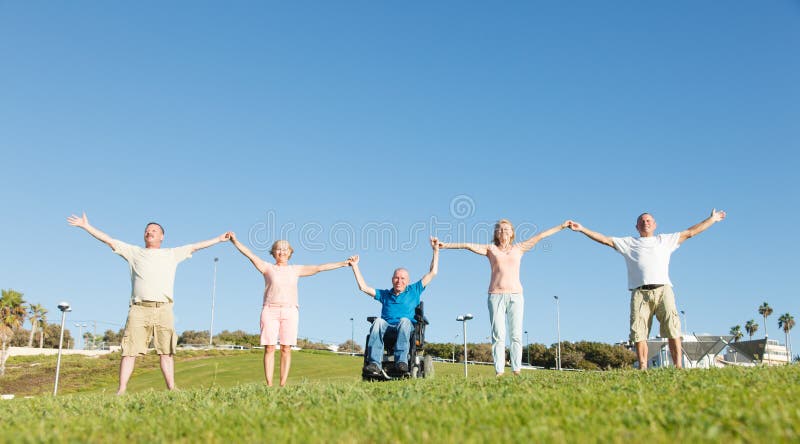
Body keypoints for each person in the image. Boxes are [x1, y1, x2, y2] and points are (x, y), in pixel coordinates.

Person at [67, 212, 229, 395]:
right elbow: (109, 241)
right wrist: (86, 226)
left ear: (162, 236)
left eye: (154, 230)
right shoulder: (134, 252)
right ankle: (121, 390)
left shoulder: (172, 254)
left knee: (166, 351)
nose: (149, 232)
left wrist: (218, 239)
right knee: (129, 351)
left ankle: (171, 388)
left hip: (164, 309)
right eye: (147, 230)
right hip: (139, 309)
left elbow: (195, 247)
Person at [567, 209, 726, 369]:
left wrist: (712, 219)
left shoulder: (665, 240)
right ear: (637, 226)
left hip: (663, 290)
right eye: (642, 221)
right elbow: (605, 240)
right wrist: (582, 229)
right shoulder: (629, 243)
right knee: (639, 331)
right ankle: (643, 367)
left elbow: (691, 232)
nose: (645, 223)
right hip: (640, 293)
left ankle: (678, 366)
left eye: (649, 220)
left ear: (655, 224)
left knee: (673, 328)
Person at [439, 219, 569, 375]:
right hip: (496, 296)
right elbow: (467, 245)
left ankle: (516, 370)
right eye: (500, 229)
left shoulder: (519, 248)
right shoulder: (491, 249)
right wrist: (444, 245)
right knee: (498, 335)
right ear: (496, 233)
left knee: (516, 335)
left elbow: (540, 236)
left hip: (516, 296)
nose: (503, 232)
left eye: (506, 229)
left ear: (512, 233)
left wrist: (561, 226)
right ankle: (499, 372)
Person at [228, 232, 351, 387]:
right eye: (278, 249)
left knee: (286, 348)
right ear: (273, 252)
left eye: (285, 249)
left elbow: (319, 268)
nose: (282, 251)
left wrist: (343, 263)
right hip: (270, 310)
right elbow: (249, 255)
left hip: (290, 311)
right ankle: (269, 385)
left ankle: (283, 384)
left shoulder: (296, 269)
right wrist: (235, 241)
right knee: (270, 347)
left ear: (290, 252)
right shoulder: (267, 267)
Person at [349, 237, 439, 378]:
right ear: (392, 279)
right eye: (397, 278)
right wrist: (355, 266)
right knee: (378, 321)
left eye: (403, 278)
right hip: (387, 331)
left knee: (404, 320)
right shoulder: (385, 294)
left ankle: (401, 362)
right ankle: (374, 365)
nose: (399, 281)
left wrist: (435, 250)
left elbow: (433, 272)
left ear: (407, 281)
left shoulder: (414, 290)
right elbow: (363, 287)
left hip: (406, 330)